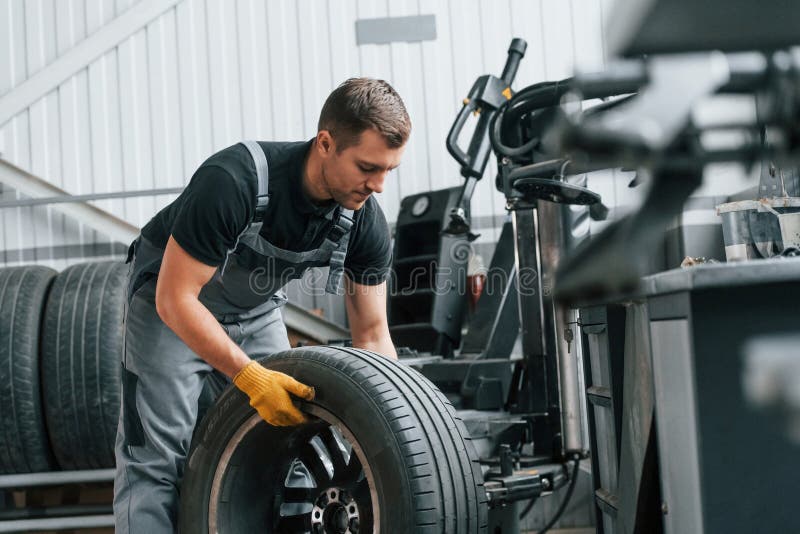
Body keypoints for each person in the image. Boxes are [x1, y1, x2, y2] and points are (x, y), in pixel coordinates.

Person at [113, 77, 410, 532]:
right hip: (169, 307)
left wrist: (392, 418)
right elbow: (175, 299)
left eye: (389, 169)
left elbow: (372, 335)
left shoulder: (365, 219)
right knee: (159, 460)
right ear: (326, 143)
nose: (380, 185)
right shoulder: (234, 180)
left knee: (286, 445)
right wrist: (248, 375)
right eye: (369, 167)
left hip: (254, 311)